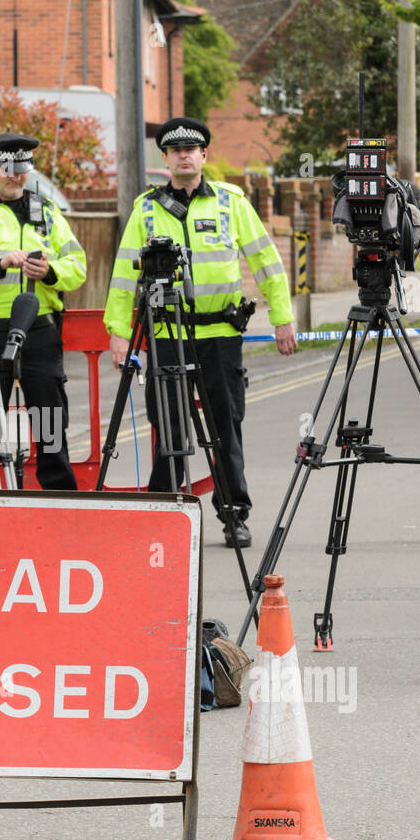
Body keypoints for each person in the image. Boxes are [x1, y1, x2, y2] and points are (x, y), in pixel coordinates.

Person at [103, 117, 298, 547]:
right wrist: (118, 331)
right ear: (166, 159)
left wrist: (282, 317)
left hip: (220, 335)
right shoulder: (146, 209)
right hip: (166, 335)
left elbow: (265, 262)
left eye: (192, 149)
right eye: (176, 151)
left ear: (204, 156)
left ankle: (234, 515)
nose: (185, 155)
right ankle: (164, 511)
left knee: (224, 426)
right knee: (169, 426)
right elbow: (123, 276)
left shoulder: (231, 202)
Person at [0, 133, 87, 490]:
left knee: (50, 418)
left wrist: (51, 273)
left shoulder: (49, 213)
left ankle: (59, 498)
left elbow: (78, 265)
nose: (16, 177)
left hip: (39, 327)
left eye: (22, 169)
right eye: (7, 169)